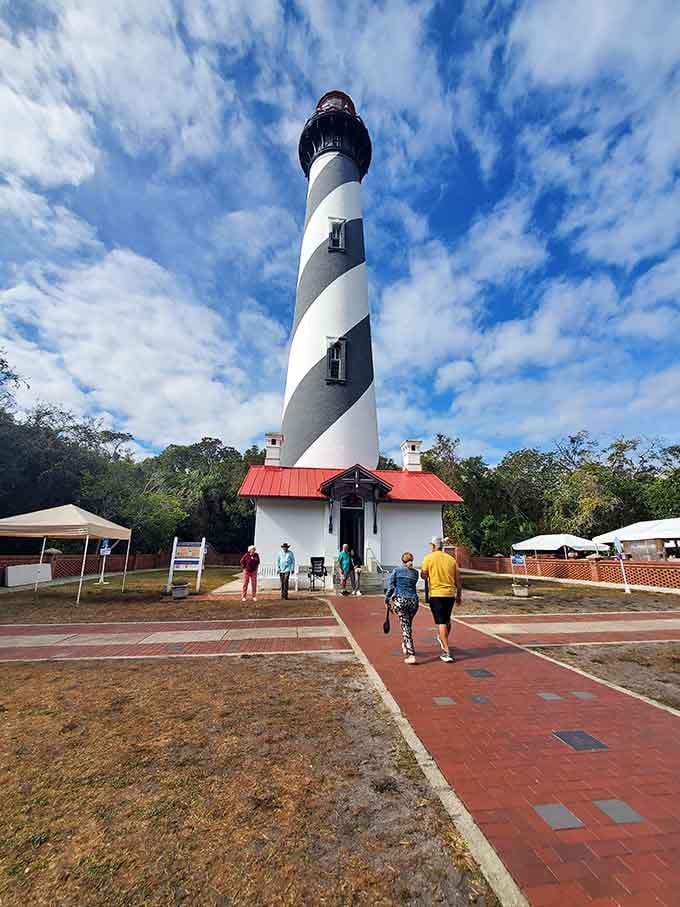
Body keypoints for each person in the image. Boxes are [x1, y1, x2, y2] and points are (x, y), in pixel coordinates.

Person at [421, 536, 461, 662]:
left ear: (433, 546)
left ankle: (446, 651)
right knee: (447, 620)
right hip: (450, 594)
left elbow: (423, 575)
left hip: (437, 594)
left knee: (441, 622)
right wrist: (459, 595)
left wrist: (426, 573)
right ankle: (443, 638)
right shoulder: (451, 560)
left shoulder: (428, 558)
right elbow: (458, 580)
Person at [385, 552, 420, 665]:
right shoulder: (415, 573)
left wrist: (386, 599)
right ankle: (405, 644)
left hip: (401, 601)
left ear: (402, 560)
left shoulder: (396, 571)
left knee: (406, 628)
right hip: (414, 602)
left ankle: (411, 654)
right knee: (408, 626)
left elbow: (391, 587)